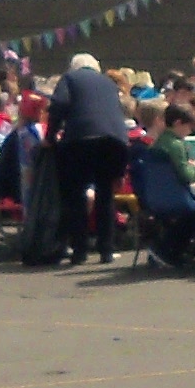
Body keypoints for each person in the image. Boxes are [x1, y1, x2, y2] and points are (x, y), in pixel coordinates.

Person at [46, 50, 133, 264]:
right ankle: (106, 249)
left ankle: (80, 251)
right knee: (105, 194)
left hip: (80, 139)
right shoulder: (108, 82)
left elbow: (59, 104)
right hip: (115, 140)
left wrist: (50, 135)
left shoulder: (69, 79)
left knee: (76, 195)